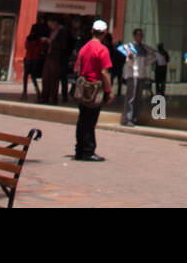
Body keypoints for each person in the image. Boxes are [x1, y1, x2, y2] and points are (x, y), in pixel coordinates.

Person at [75, 18, 114, 161]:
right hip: (95, 89)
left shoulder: (84, 48)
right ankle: (88, 150)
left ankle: (79, 149)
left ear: (92, 31)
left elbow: (77, 69)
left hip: (83, 87)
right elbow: (104, 72)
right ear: (104, 33)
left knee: (82, 119)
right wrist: (109, 91)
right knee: (90, 121)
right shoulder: (102, 50)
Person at [122, 27, 153, 126]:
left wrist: (153, 57)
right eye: (138, 35)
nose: (140, 37)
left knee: (138, 98)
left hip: (141, 75)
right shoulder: (130, 47)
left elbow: (146, 62)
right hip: (132, 75)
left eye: (141, 35)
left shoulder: (144, 48)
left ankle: (135, 117)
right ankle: (128, 118)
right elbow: (129, 63)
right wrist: (130, 57)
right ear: (135, 36)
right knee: (131, 97)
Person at [41, 16, 70, 104]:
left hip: (57, 57)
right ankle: (45, 96)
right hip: (49, 56)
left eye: (51, 24)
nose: (50, 26)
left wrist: (50, 41)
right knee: (46, 77)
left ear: (55, 22)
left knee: (54, 78)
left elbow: (63, 45)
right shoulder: (51, 31)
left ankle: (53, 98)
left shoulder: (62, 31)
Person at [22, 21, 47, 99]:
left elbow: (26, 47)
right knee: (33, 76)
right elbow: (41, 49)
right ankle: (37, 90)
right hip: (35, 59)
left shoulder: (28, 38)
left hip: (28, 58)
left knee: (26, 75)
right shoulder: (39, 39)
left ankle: (25, 91)